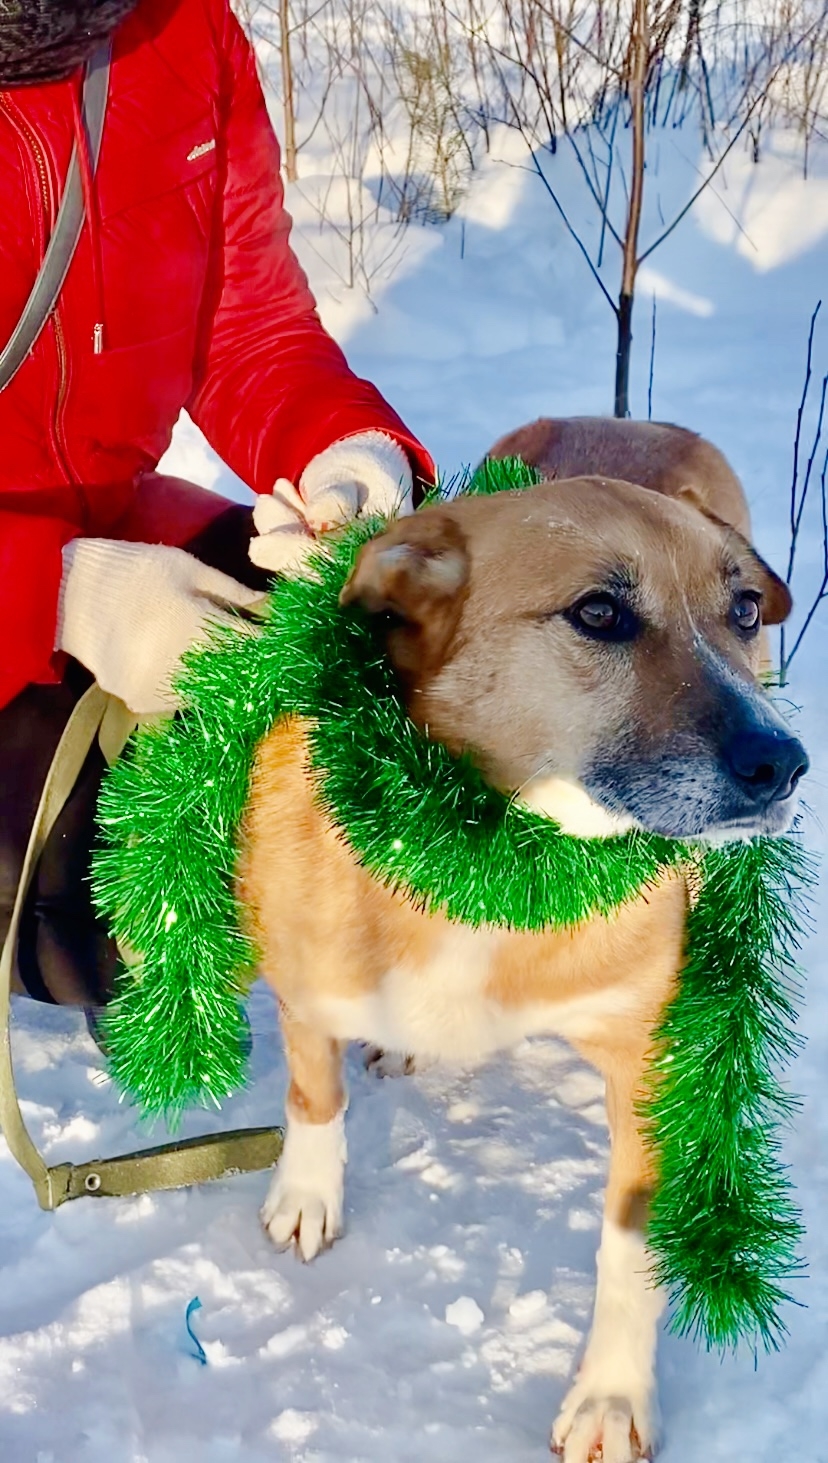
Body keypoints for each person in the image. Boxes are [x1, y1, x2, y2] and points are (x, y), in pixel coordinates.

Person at [0, 0, 435, 1011]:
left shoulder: (183, 31)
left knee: (384, 646)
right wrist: (66, 597)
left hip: (104, 514)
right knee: (107, 904)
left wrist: (348, 460)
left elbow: (251, 333)